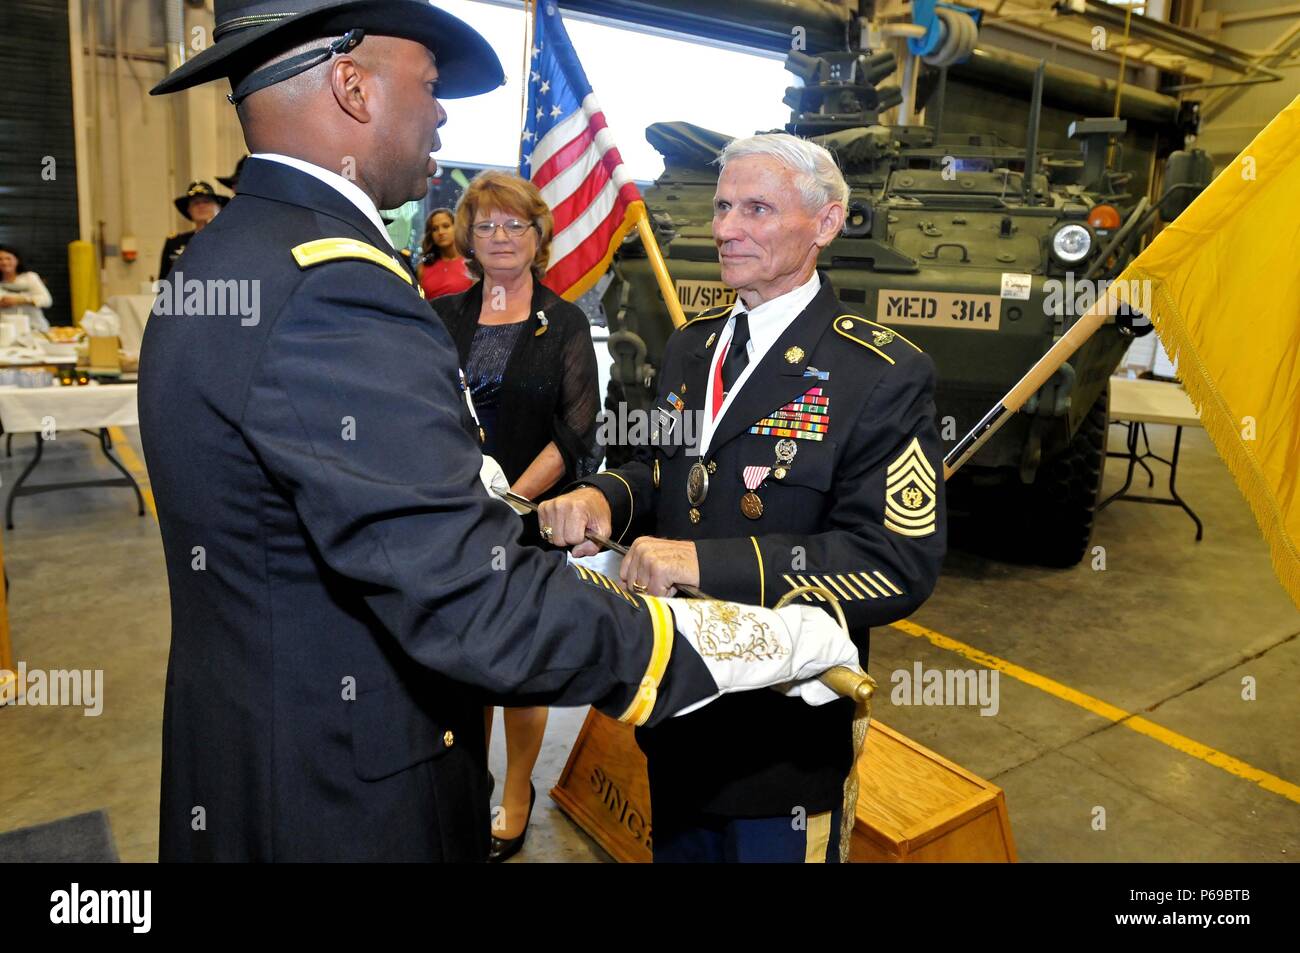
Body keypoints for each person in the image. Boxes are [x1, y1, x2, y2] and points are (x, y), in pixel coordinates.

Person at [139, 0, 858, 862]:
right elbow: (473, 603)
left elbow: (368, 517)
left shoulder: (226, 255)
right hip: (340, 799)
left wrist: (537, 517)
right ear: (351, 86)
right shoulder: (336, 289)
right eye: (431, 85)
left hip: (254, 763)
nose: (443, 113)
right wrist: (751, 641)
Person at [539, 133, 948, 863]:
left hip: (781, 748)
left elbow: (894, 561)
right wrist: (605, 496)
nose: (726, 229)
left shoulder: (879, 372)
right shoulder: (690, 349)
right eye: (723, 206)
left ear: (824, 224)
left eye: (757, 209)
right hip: (677, 718)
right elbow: (663, 471)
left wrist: (702, 562)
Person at [431, 171, 598, 861]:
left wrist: (510, 503)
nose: (500, 236)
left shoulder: (564, 322)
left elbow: (576, 431)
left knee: (522, 665)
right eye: (487, 224)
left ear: (538, 236)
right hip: (451, 519)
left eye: (515, 224)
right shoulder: (443, 317)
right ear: (469, 237)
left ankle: (519, 790)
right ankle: (471, 779)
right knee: (460, 661)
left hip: (528, 524)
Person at [159, 181, 228, 279]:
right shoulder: (174, 242)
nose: (201, 206)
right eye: (196, 203)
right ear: (189, 210)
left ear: (219, 207)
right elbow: (164, 281)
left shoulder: (231, 240)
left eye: (206, 201)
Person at [418, 206, 472, 298]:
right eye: (435, 229)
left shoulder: (472, 263)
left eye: (446, 226)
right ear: (430, 235)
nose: (440, 232)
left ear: (456, 228)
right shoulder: (423, 267)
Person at [0, 245, 53, 333]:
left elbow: (47, 300)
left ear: (17, 260)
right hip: (6, 330)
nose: (4, 262)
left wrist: (20, 300)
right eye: (0, 259)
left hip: (35, 329)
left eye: (8, 258)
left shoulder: (30, 277)